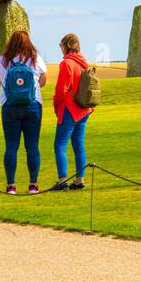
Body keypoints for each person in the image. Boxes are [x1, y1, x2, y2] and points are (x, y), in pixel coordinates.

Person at [0, 30, 48, 195]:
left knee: (11, 146)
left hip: (9, 106)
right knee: (32, 147)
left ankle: (11, 185)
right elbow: (44, 80)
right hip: (33, 105)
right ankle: (33, 185)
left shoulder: (2, 60)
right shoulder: (35, 59)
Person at [50, 33, 92, 191]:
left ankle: (62, 180)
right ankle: (79, 181)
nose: (60, 49)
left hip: (70, 109)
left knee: (59, 145)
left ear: (66, 46)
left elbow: (61, 90)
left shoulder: (66, 63)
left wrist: (56, 103)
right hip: (83, 109)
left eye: (61, 46)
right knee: (78, 145)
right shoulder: (83, 63)